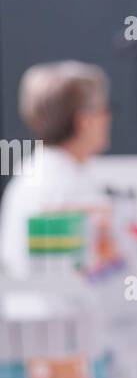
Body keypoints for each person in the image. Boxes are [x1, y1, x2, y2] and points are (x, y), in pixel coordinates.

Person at [0, 61, 112, 279]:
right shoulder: (65, 191)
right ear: (85, 121)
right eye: (104, 110)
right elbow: (83, 281)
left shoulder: (36, 173)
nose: (108, 118)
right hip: (60, 310)